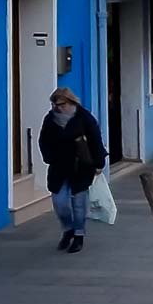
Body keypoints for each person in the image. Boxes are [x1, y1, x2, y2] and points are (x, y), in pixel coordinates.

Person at [39, 87, 107, 253]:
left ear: (71, 102)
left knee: (78, 204)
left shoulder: (84, 118)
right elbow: (43, 140)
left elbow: (96, 140)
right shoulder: (50, 119)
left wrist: (99, 163)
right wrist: (49, 157)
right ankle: (68, 229)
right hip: (59, 167)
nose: (57, 108)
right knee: (59, 202)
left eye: (61, 104)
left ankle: (78, 235)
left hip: (81, 167)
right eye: (54, 105)